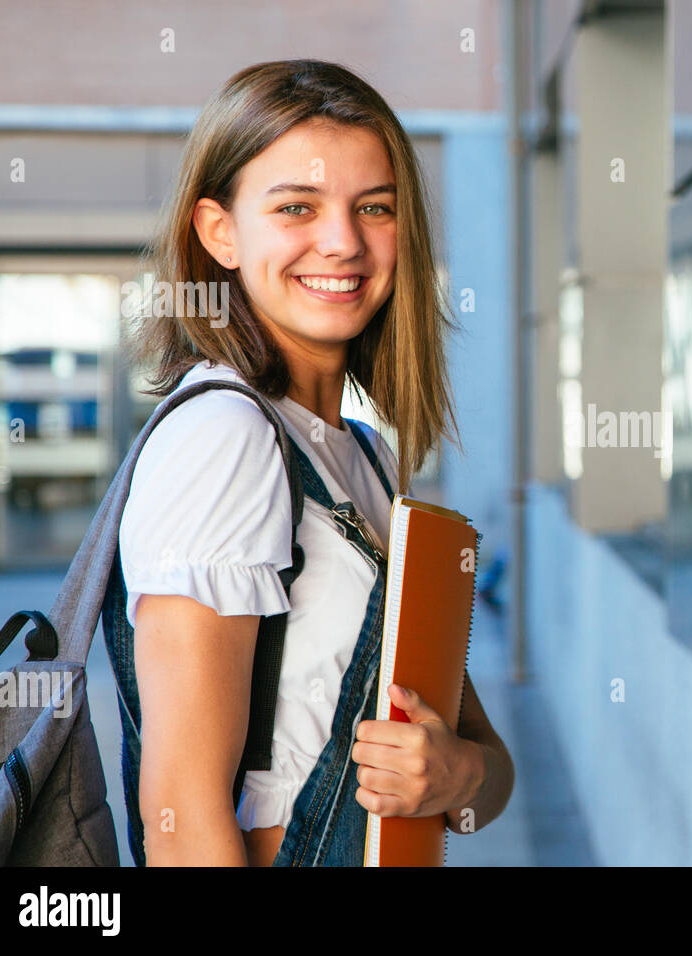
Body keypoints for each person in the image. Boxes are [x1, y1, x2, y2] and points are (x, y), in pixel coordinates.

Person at [104, 59, 513, 866]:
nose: (344, 242)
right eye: (297, 206)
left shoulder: (361, 453)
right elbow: (180, 817)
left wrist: (454, 776)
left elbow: (487, 775)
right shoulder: (225, 436)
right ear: (219, 231)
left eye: (375, 208)